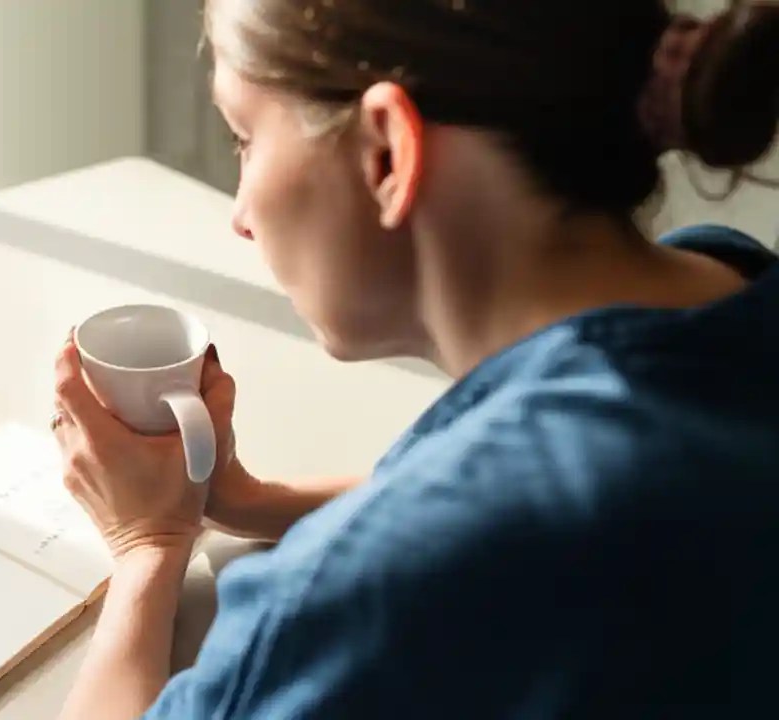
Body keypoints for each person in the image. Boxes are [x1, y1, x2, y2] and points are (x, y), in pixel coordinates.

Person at [50, 0, 779, 717]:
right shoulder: (725, 280)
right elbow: (507, 484)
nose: (239, 215)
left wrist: (146, 543)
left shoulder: (365, 593)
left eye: (245, 138)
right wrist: (247, 500)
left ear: (387, 153)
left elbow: (460, 530)